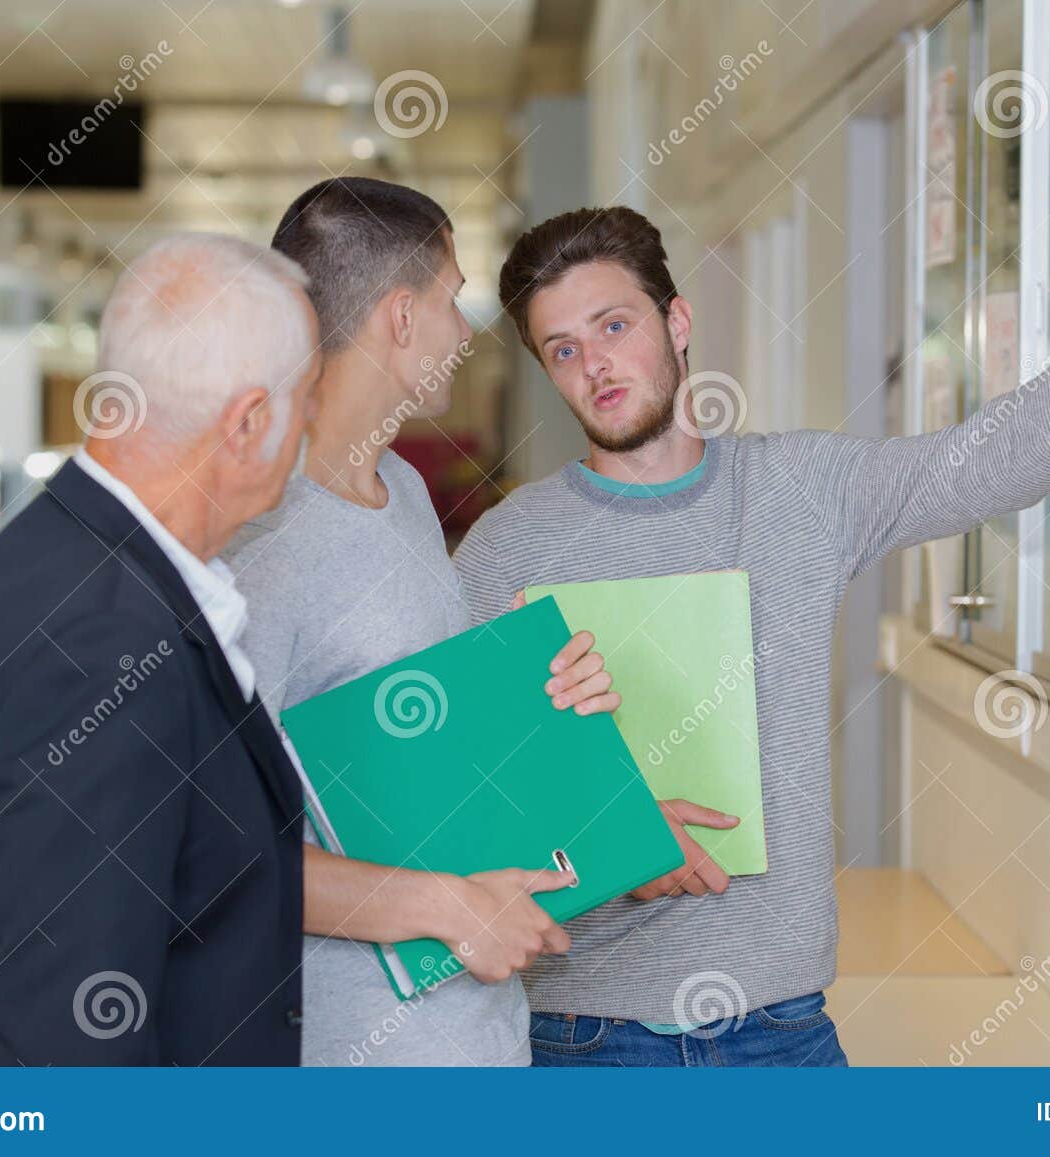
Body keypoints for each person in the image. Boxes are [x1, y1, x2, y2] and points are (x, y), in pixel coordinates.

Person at [452, 200, 1050, 1066]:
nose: (594, 364)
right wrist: (610, 836)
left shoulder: (801, 489)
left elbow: (985, 465)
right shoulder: (508, 548)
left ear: (678, 322)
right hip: (584, 1034)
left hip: (780, 1026)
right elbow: (461, 801)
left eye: (614, 326)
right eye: (562, 349)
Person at [0, 234, 323, 1065]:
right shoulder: (107, 642)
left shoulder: (58, 553)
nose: (310, 422)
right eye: (307, 397)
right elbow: (72, 1042)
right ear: (248, 423)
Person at [222, 177, 617, 1067]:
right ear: (401, 316)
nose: (466, 334)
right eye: (452, 300)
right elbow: (212, 853)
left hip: (476, 1029)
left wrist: (548, 707)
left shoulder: (399, 487)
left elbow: (428, 748)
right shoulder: (258, 541)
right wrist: (445, 907)